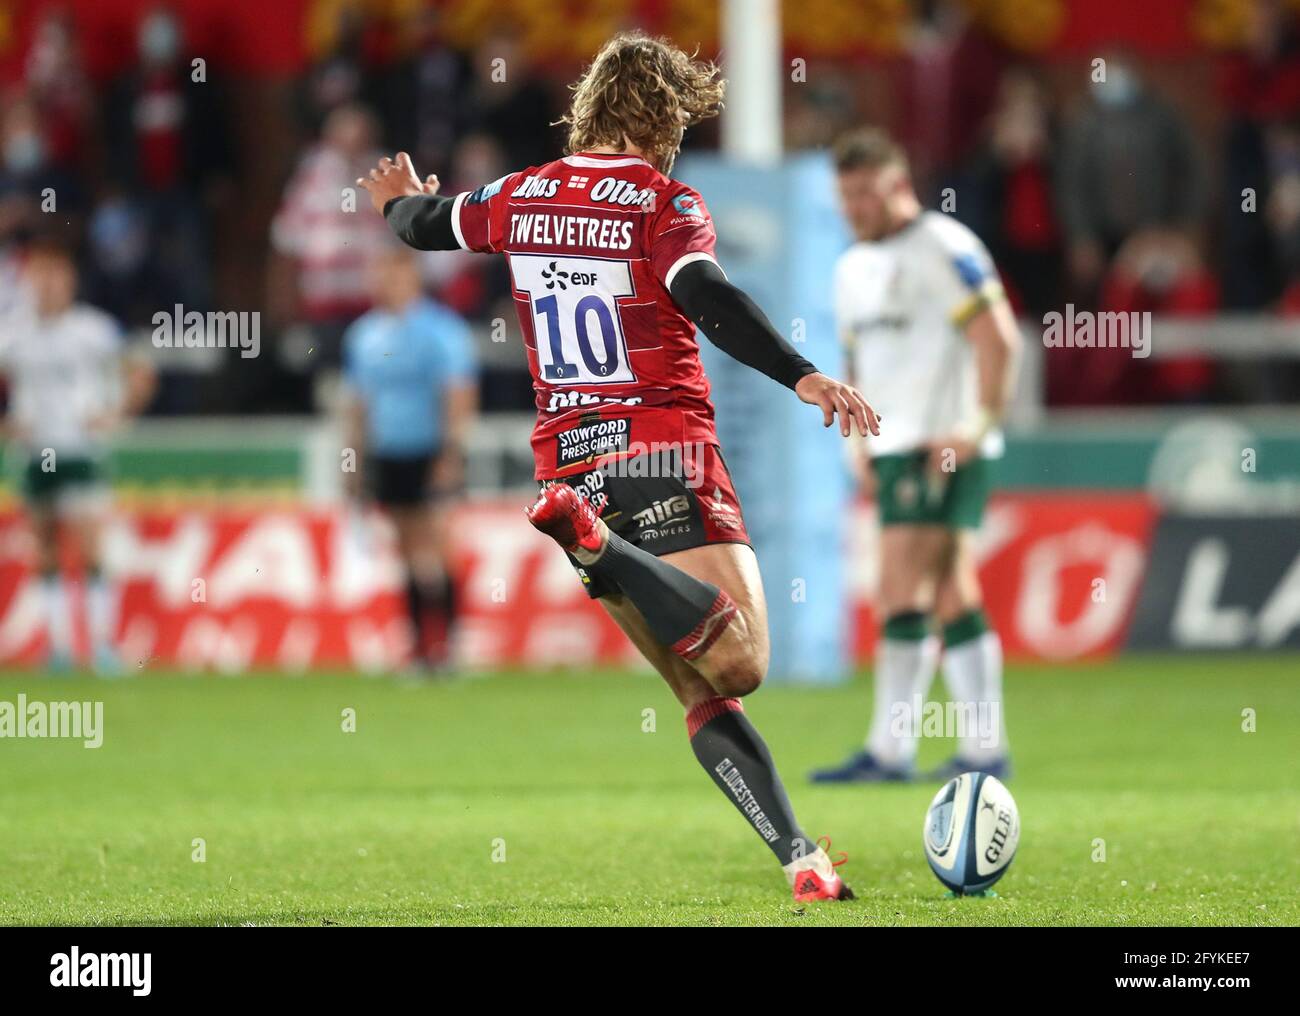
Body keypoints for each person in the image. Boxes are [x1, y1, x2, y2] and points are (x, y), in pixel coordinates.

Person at [358, 31, 879, 902]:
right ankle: (600, 545)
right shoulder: (664, 203)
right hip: (662, 444)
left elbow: (423, 226)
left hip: (569, 462)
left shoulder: (520, 195)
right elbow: (704, 294)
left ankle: (801, 859)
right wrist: (804, 373)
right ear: (662, 117)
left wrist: (395, 204)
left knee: (697, 686)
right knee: (741, 663)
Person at [811, 129, 1020, 784]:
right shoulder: (849, 268)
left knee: (898, 589)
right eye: (846, 196)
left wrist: (976, 424)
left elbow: (1000, 341)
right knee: (952, 591)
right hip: (893, 447)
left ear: (899, 186)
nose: (855, 208)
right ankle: (985, 750)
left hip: (940, 445)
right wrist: (859, 446)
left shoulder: (943, 245)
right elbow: (855, 363)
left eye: (867, 193)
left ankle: (890, 750)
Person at [0, 237, 156, 673]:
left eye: (56, 277)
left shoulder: (93, 330)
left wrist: (116, 414)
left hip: (81, 449)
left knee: (89, 545)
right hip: (35, 452)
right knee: (46, 548)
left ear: (70, 282)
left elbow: (141, 372)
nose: (47, 286)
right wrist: (7, 424)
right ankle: (58, 649)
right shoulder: (14, 333)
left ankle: (103, 646)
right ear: (28, 282)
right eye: (39, 277)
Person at [342, 247, 477, 671]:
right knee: (404, 546)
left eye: (392, 273)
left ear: (412, 279)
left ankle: (451, 645)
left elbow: (458, 394)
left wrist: (450, 451)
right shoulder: (363, 335)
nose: (383, 281)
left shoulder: (441, 329)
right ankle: (420, 648)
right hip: (389, 451)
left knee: (436, 543)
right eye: (379, 273)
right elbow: (359, 405)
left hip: (429, 450)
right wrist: (355, 459)